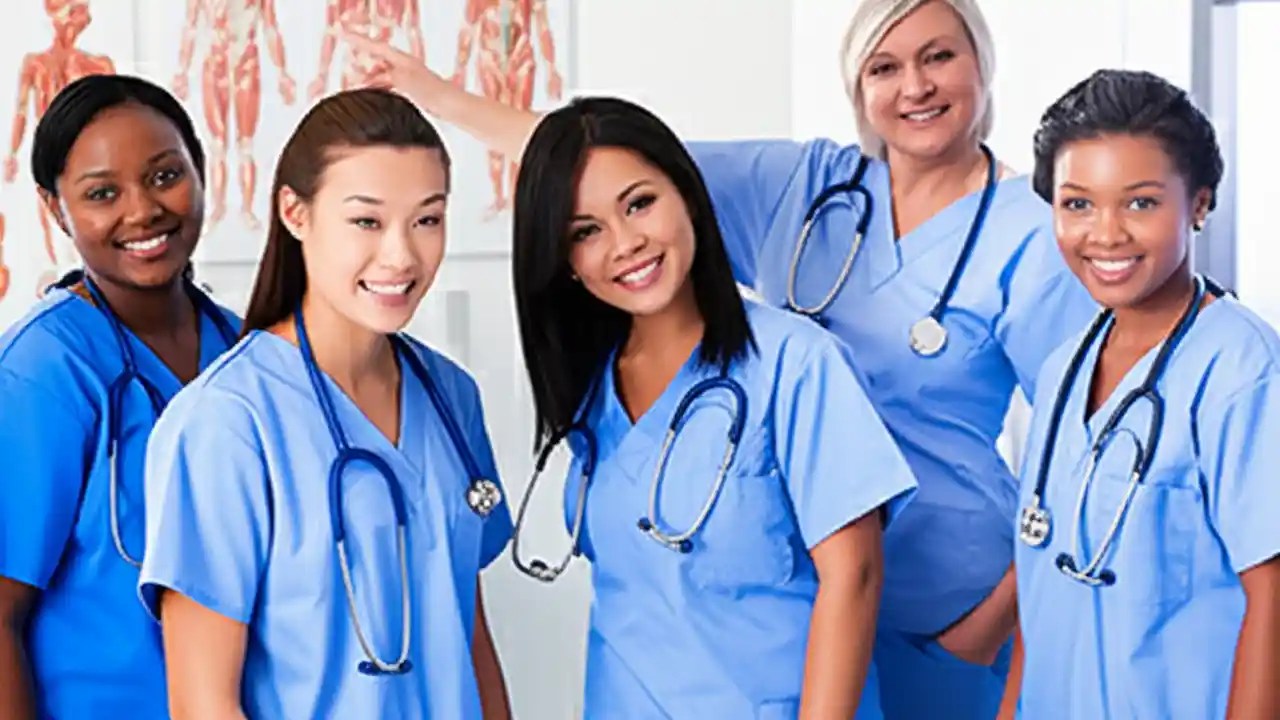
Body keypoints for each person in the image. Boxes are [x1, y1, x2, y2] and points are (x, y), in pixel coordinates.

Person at [344, 0, 1099, 715]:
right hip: (784, 576)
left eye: (940, 56)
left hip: (944, 609)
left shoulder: (1024, 240)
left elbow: (1085, 449)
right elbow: (598, 160)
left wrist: (987, 630)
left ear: (984, 62)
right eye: (884, 66)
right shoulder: (805, 186)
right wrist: (437, 97)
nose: (916, 86)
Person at [508, 96, 915, 716]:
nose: (625, 243)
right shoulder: (591, 388)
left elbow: (854, 578)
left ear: (688, 194)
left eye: (639, 203)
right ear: (564, 261)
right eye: (586, 232)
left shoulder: (796, 364)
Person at [137, 87, 513, 720]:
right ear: (296, 213)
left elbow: (466, 633)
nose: (401, 255)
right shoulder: (227, 422)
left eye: (427, 218)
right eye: (366, 221)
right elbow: (204, 704)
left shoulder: (451, 397)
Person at [997, 69, 1280, 720]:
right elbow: (1043, 584)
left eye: (1141, 202)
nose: (1106, 234)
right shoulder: (1064, 367)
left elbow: (1272, 594)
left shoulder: (1242, 372)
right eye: (1077, 204)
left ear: (1200, 203)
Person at [0, 74, 239, 719]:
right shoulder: (44, 371)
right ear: (56, 209)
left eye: (165, 176)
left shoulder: (248, 354)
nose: (142, 212)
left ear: (201, 168)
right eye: (102, 193)